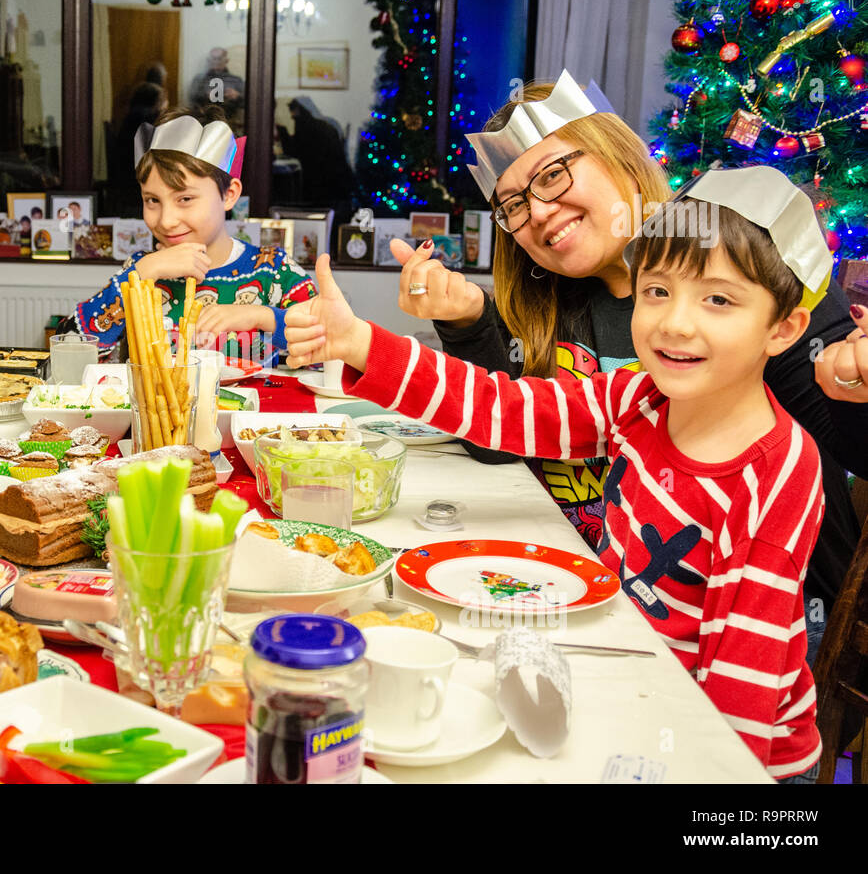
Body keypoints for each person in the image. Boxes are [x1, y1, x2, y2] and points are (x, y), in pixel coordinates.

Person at [286, 165, 832, 781]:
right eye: (657, 291)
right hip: (639, 681)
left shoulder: (776, 470)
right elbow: (504, 408)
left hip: (733, 750)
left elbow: (743, 681)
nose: (676, 322)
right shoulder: (639, 396)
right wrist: (360, 341)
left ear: (783, 329)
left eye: (718, 299)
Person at [391, 71, 868, 663]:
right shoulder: (554, 304)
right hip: (586, 586)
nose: (537, 213)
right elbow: (503, 439)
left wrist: (855, 389)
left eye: (553, 174)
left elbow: (851, 451)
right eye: (513, 205)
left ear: (617, 154)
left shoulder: (742, 273)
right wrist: (467, 323)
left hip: (746, 628)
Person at [72, 107, 316, 361]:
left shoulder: (273, 270)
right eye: (152, 200)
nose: (167, 221)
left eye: (185, 198)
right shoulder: (141, 271)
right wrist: (139, 274)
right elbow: (72, 350)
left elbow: (327, 349)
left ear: (229, 194)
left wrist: (263, 316)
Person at [275, 96, 355, 219]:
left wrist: (282, 131)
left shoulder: (304, 124)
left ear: (298, 109)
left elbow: (295, 151)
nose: (291, 116)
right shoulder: (323, 123)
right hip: (337, 187)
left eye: (292, 110)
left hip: (320, 187)